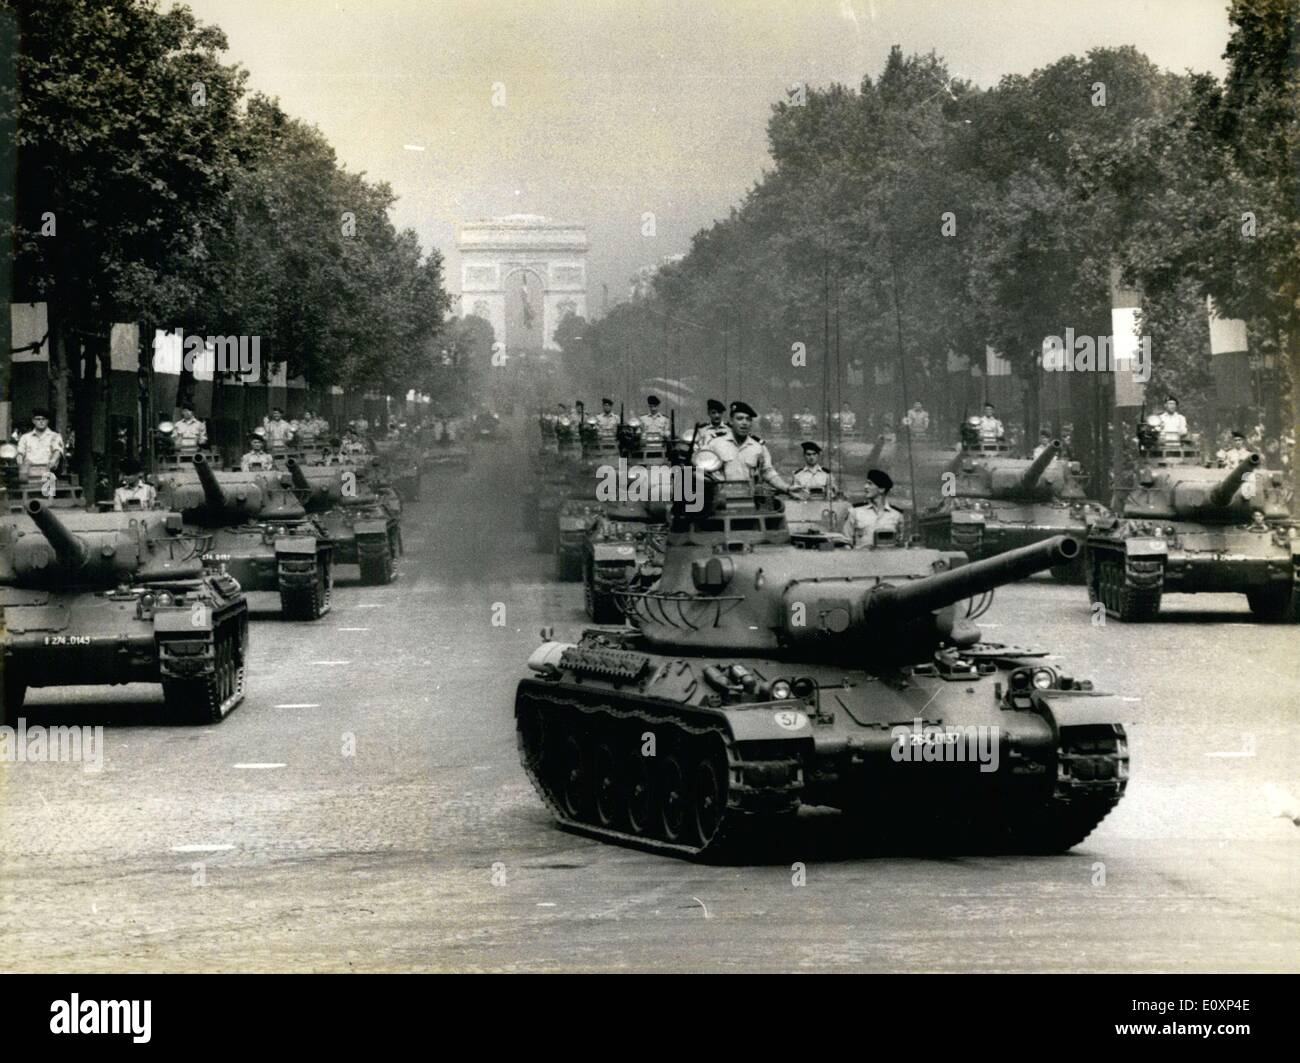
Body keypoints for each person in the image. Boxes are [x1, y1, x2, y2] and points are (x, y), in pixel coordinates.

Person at [700, 401, 800, 495]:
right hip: (721, 502)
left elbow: (769, 472)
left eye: (748, 419)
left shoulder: (759, 447)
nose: (744, 423)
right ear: (731, 421)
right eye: (740, 418)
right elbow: (701, 471)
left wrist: (787, 488)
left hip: (749, 501)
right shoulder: (714, 444)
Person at [843, 469, 904, 547]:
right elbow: (846, 542)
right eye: (866, 483)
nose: (865, 487)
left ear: (881, 489)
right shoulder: (855, 512)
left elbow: (900, 544)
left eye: (870, 484)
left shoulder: (897, 515)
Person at [16, 409, 66, 482]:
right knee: (27, 492)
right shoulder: (25, 437)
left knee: (48, 492)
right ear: (33, 421)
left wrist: (53, 460)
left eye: (44, 419)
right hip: (29, 475)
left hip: (48, 474)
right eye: (38, 419)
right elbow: (20, 453)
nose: (41, 421)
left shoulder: (55, 436)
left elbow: (57, 451)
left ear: (47, 421)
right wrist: (20, 464)